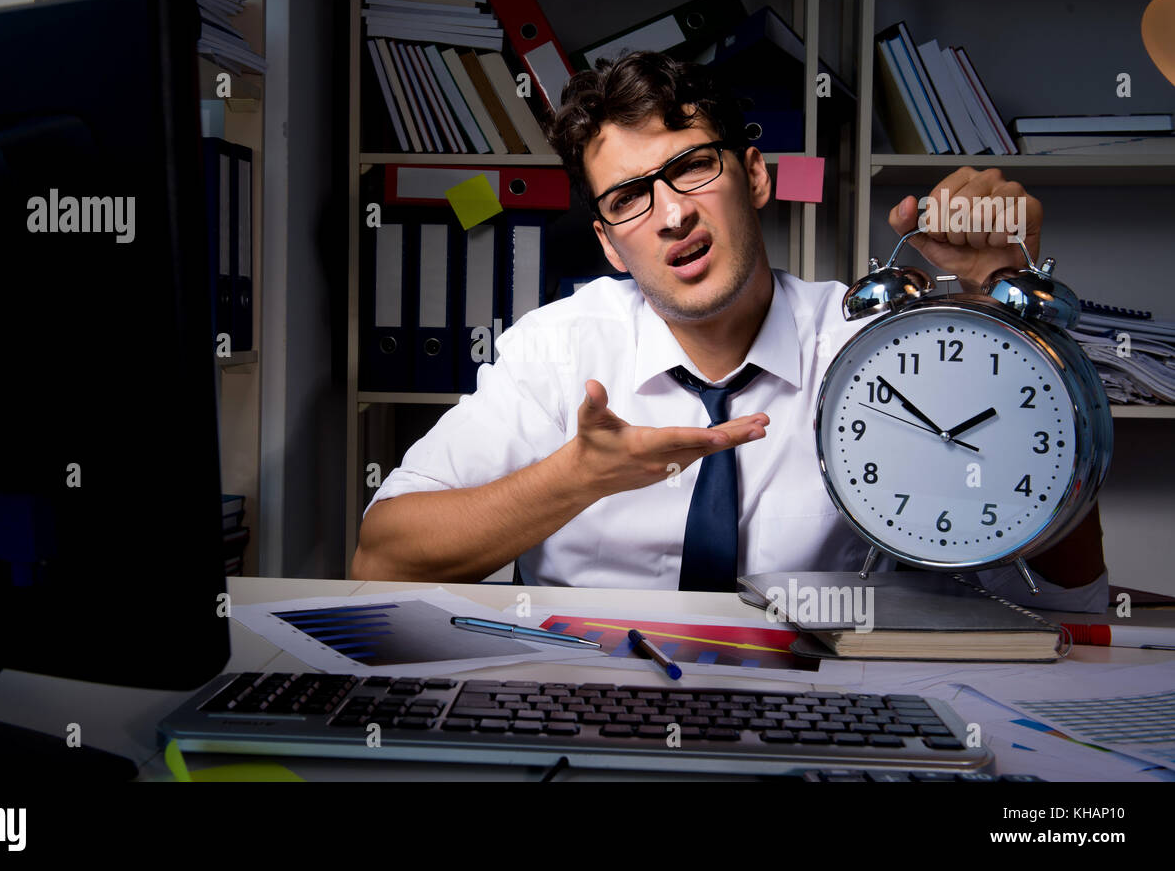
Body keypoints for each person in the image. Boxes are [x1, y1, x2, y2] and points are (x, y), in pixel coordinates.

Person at [352, 50, 1107, 613]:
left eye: (690, 167)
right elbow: (379, 559)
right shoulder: (557, 350)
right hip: (586, 711)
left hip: (817, 714)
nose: (672, 213)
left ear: (754, 176)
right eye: (629, 198)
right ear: (610, 242)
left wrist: (1010, 325)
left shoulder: (876, 348)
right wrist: (575, 478)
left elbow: (1063, 599)